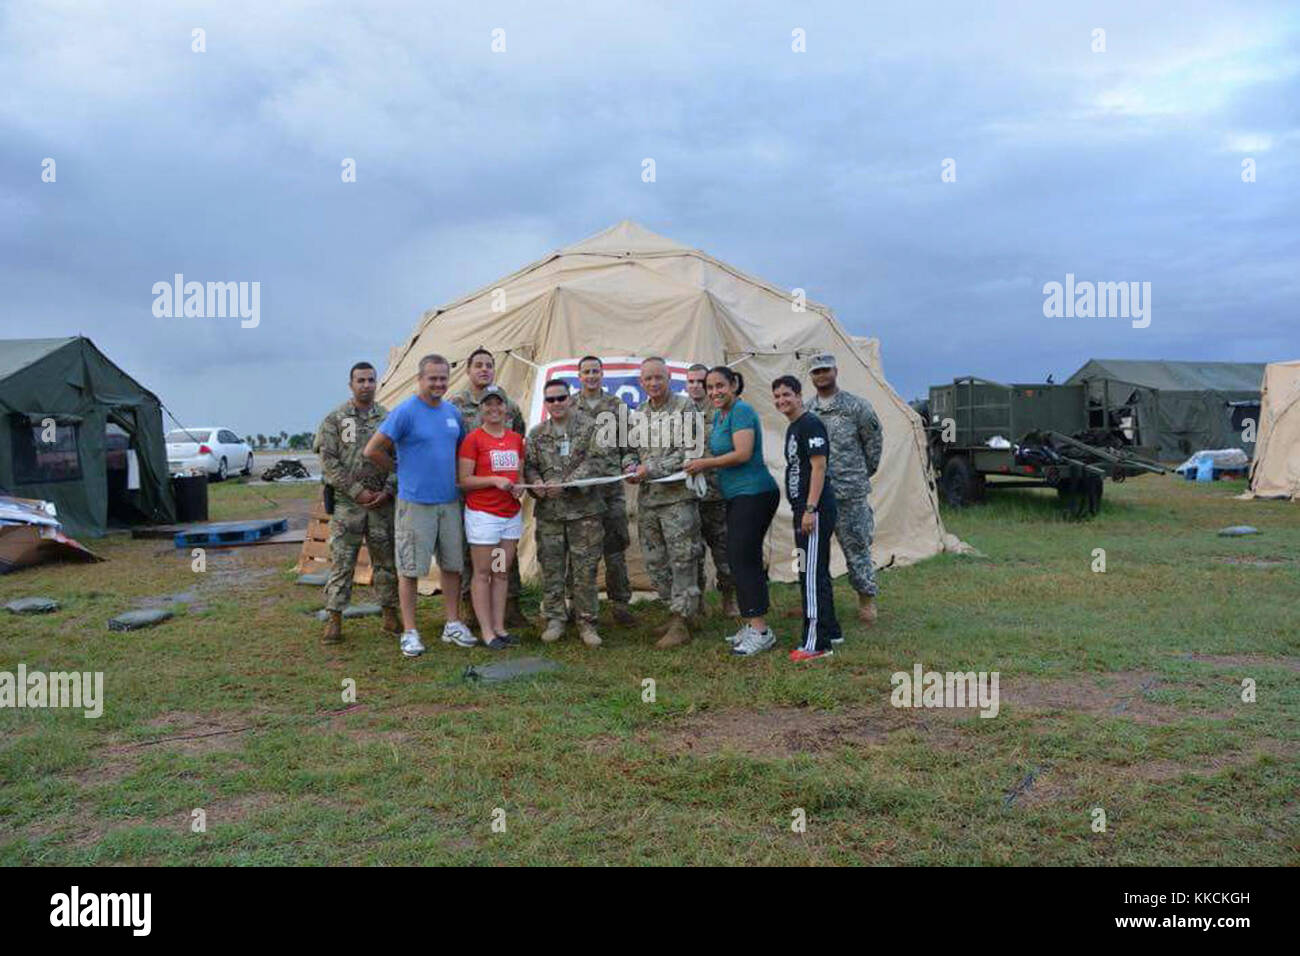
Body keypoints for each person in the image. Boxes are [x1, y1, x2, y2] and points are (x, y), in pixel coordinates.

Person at [363, 354, 475, 657]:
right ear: (420, 379)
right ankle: (410, 632)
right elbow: (372, 450)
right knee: (410, 569)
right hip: (415, 504)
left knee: (453, 566)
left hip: (449, 501)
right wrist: (400, 469)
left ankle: (452, 623)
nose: (438, 383)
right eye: (432, 378)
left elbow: (459, 452)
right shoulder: (405, 412)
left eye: (443, 378)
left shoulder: (452, 413)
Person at [684, 366, 780, 656]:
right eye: (709, 387)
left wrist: (704, 464)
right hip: (738, 496)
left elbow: (743, 453)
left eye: (719, 386)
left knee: (743, 561)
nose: (714, 392)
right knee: (740, 560)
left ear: (734, 384)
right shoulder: (722, 414)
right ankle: (753, 626)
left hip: (754, 493)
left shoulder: (741, 411)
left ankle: (761, 630)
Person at [315, 362, 399, 645]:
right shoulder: (335, 419)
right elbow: (328, 462)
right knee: (342, 562)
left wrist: (387, 490)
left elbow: (399, 460)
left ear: (377, 384)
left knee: (386, 562)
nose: (366, 385)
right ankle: (335, 617)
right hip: (348, 506)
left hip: (380, 504)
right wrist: (355, 491)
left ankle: (390, 613)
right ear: (350, 384)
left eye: (371, 380)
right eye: (360, 380)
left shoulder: (388, 419)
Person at [622, 357, 703, 648]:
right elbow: (629, 450)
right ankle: (676, 611)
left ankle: (682, 622)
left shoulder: (685, 407)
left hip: (678, 500)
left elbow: (690, 451)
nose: (654, 383)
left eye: (659, 377)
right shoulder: (638, 413)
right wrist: (630, 467)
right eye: (648, 379)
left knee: (682, 559)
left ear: (669, 378)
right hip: (649, 500)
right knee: (655, 562)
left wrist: (651, 469)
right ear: (641, 383)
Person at [450, 347, 529, 630]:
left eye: (489, 365)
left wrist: (517, 479)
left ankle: (510, 607)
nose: (484, 369)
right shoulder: (455, 405)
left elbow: (518, 440)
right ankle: (471, 608)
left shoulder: (506, 403)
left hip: (505, 500)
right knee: (472, 552)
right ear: (468, 370)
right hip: (471, 493)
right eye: (478, 365)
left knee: (505, 558)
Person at [524, 379, 606, 647]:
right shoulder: (536, 434)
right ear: (546, 404)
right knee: (552, 568)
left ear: (570, 399)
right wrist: (536, 483)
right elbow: (530, 467)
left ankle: (587, 622)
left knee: (584, 570)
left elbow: (597, 462)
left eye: (561, 398)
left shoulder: (590, 427)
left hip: (584, 513)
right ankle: (555, 618)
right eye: (551, 400)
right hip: (550, 514)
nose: (556, 404)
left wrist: (566, 484)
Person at [806, 353, 884, 626]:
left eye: (825, 370)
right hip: (817, 494)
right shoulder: (807, 410)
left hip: (850, 491)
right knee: (815, 551)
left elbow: (873, 444)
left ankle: (866, 598)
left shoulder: (856, 407)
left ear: (836, 371)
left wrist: (859, 474)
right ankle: (818, 603)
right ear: (811, 377)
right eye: (816, 372)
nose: (821, 375)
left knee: (857, 545)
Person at [773, 375, 839, 660]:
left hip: (814, 510)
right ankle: (831, 628)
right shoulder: (794, 427)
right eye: (777, 396)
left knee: (810, 575)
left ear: (800, 396)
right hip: (804, 509)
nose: (782, 400)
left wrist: (810, 509)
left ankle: (816, 643)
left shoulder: (810, 424)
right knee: (816, 571)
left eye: (787, 394)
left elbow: (819, 466)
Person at [572, 355, 634, 625]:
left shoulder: (616, 405)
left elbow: (629, 445)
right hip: (581, 493)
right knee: (580, 551)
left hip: (611, 489)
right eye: (586, 372)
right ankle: (575, 605)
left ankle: (620, 604)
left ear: (602, 374)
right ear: (579, 376)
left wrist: (630, 464)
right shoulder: (570, 405)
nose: (591, 376)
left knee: (615, 549)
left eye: (595, 371)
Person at [685, 363, 737, 617]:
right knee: (692, 552)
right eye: (691, 381)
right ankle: (698, 601)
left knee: (723, 549)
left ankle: (729, 597)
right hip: (688, 496)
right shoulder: (679, 412)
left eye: (700, 381)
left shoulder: (721, 411)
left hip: (718, 494)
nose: (695, 386)